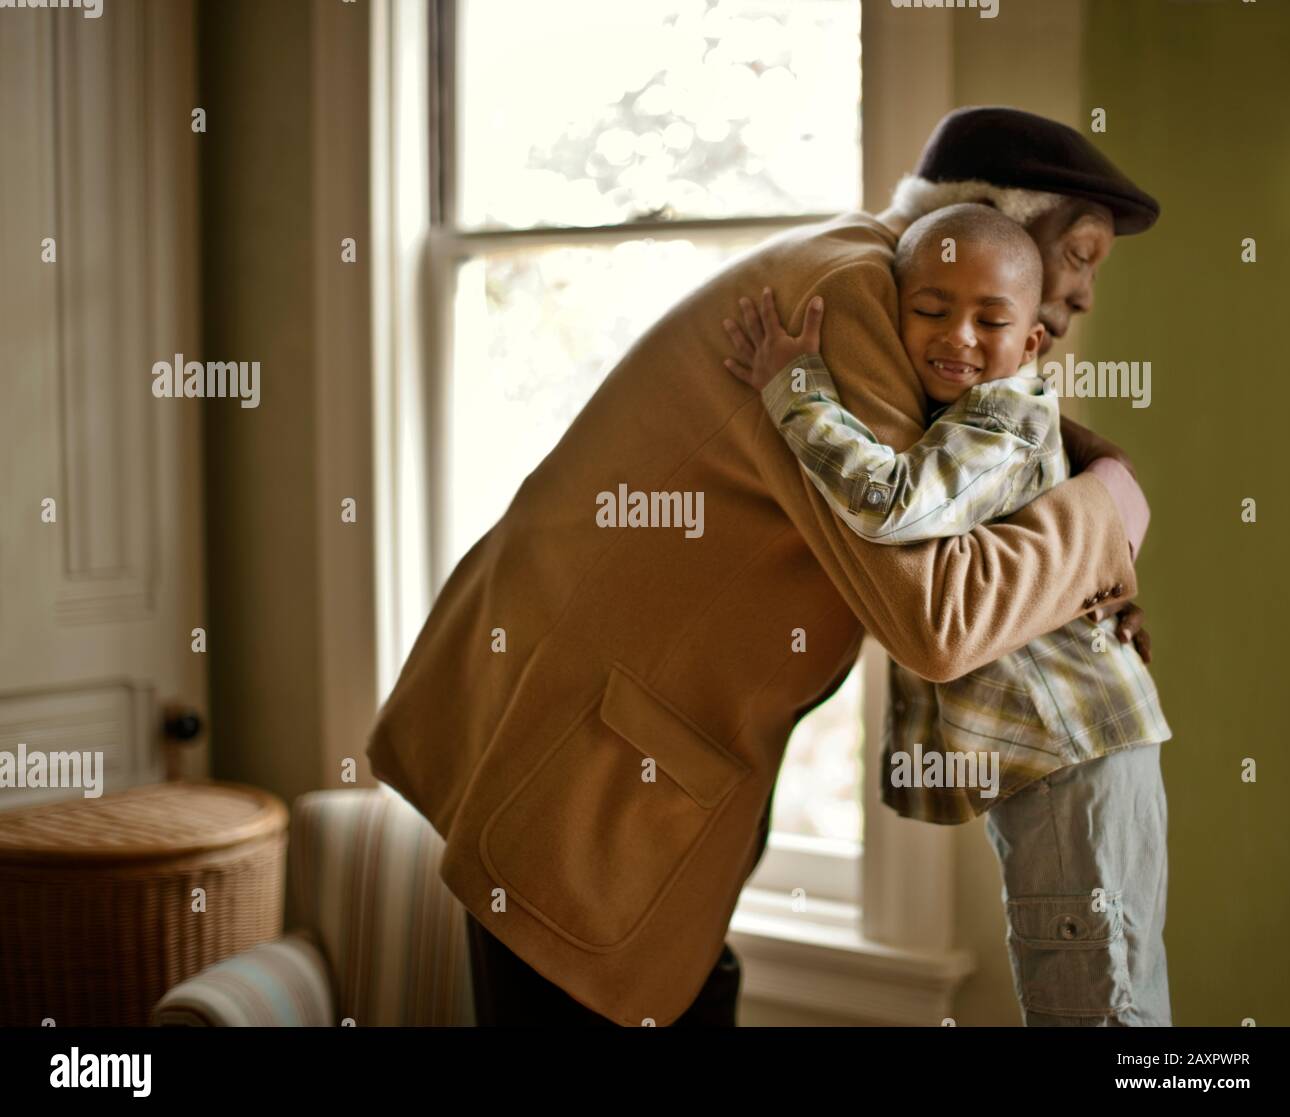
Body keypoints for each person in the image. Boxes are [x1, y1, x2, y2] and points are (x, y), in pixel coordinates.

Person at [365, 106, 1159, 1027]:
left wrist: (1098, 497)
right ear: (989, 227)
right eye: (1083, 251)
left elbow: (975, 451)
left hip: (588, 743)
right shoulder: (850, 300)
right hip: (584, 776)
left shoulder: (871, 274)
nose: (1085, 293)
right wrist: (1113, 510)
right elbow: (935, 616)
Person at [722, 202, 1172, 1026]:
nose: (957, 336)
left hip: (1072, 756)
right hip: (1070, 756)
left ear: (1030, 344)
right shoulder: (967, 416)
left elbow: (893, 501)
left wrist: (794, 389)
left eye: (990, 320)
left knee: (1094, 1002)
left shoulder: (1001, 418)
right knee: (1099, 981)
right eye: (930, 311)